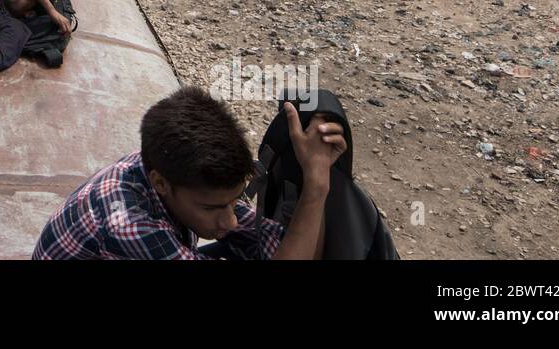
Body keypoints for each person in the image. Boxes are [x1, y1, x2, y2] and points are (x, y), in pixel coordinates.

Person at [32, 86, 346, 260]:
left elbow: (276, 241)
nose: (231, 220)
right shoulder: (130, 225)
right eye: (213, 208)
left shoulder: (173, 169)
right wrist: (317, 185)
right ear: (160, 183)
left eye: (233, 201)